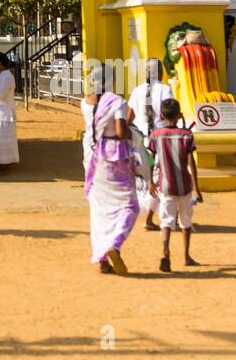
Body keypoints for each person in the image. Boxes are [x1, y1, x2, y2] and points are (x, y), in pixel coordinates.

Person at [84, 75, 139, 275]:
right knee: (129, 205)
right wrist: (131, 133)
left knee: (99, 211)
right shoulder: (117, 101)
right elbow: (120, 130)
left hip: (97, 159)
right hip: (117, 157)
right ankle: (114, 245)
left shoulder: (87, 103)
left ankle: (102, 260)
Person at [148, 97, 203, 272]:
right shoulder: (186, 135)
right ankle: (186, 256)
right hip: (185, 186)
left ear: (161, 116)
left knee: (166, 220)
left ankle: (166, 252)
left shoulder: (156, 135)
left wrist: (150, 181)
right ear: (179, 115)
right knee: (185, 221)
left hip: (165, 185)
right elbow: (191, 163)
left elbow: (151, 160)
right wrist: (196, 188)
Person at [129, 59, 171, 231]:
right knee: (161, 180)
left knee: (148, 180)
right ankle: (154, 218)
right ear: (161, 72)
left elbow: (129, 117)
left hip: (141, 143)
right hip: (161, 141)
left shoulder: (137, 91)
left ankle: (149, 216)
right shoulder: (165, 90)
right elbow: (168, 114)